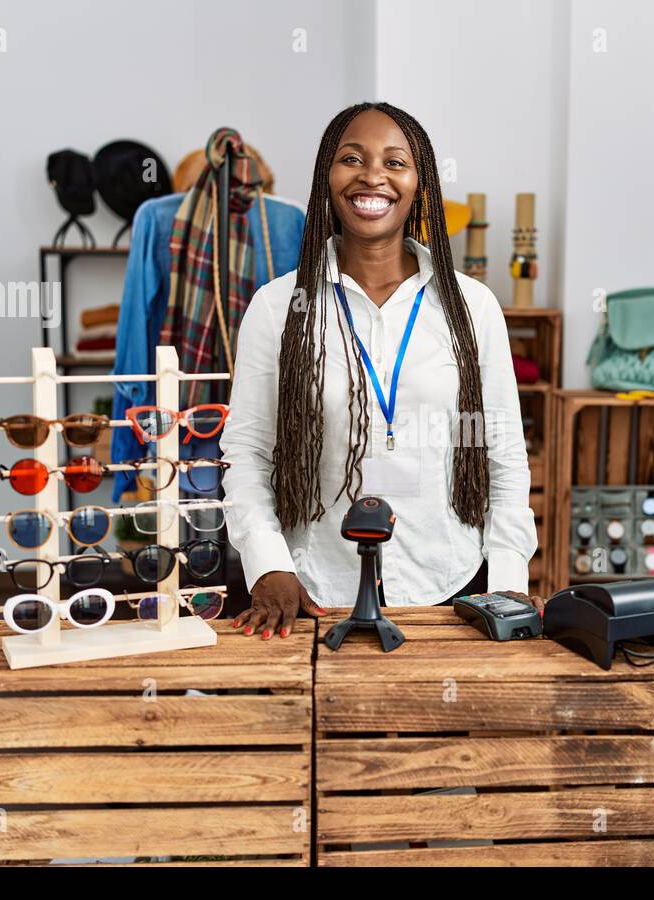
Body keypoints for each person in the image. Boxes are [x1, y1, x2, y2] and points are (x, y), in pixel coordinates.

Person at [220, 102, 539, 640]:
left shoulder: (472, 306)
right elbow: (248, 453)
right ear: (328, 176)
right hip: (315, 591)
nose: (373, 175)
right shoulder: (278, 308)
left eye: (395, 162)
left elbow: (503, 451)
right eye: (352, 158)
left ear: (420, 184)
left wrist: (508, 579)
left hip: (453, 586)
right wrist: (269, 563)